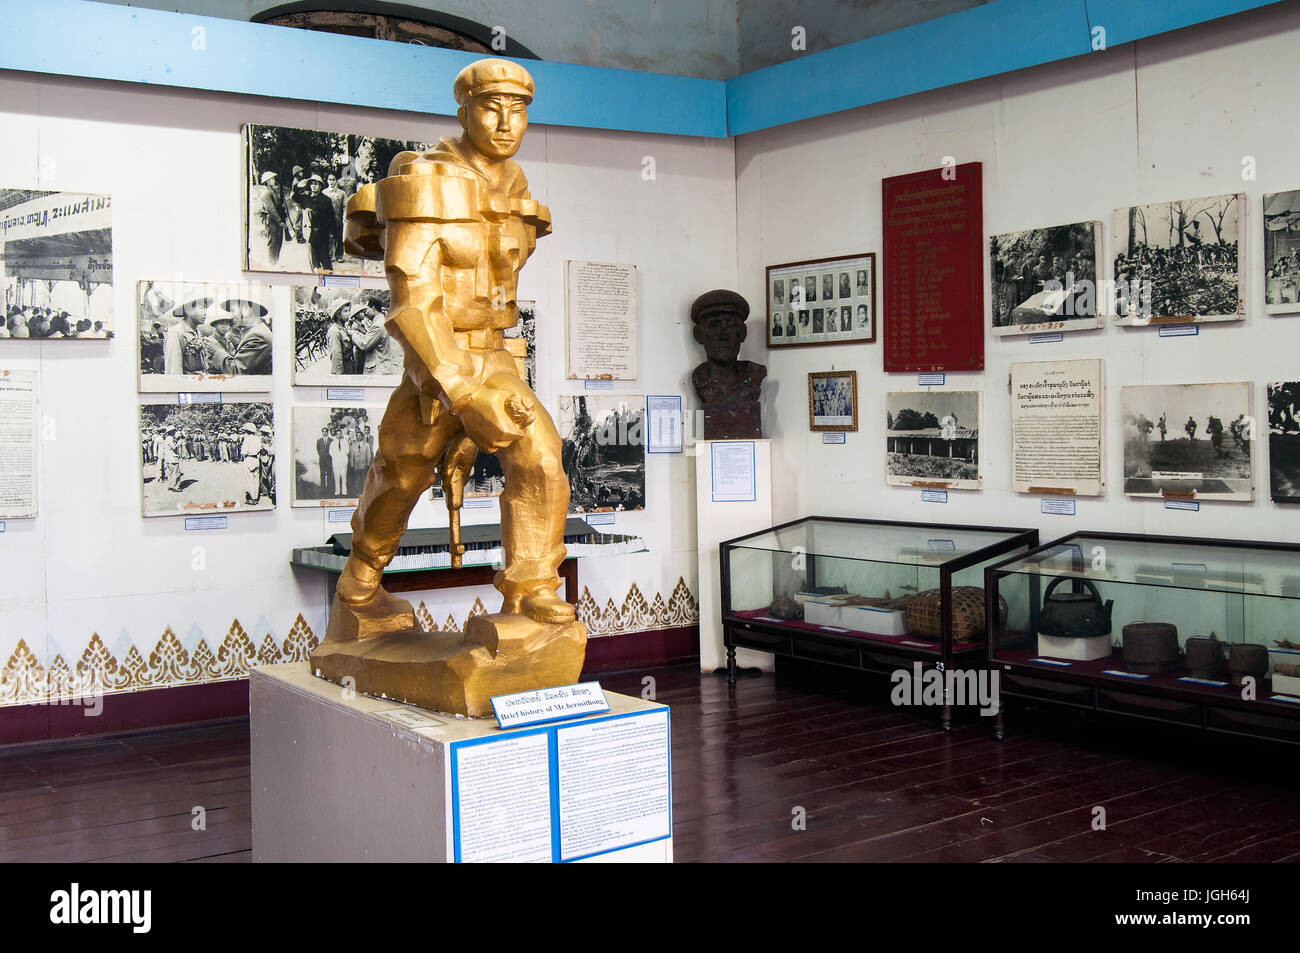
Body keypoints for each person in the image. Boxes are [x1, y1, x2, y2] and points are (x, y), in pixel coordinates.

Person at [333, 58, 572, 631]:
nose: (506, 122)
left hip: (494, 354)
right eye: (491, 107)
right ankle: (361, 581)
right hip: (437, 360)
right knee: (403, 472)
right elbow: (414, 305)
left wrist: (495, 378)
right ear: (463, 110)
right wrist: (463, 397)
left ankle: (532, 586)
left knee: (540, 456)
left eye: (518, 111)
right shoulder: (426, 181)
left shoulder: (516, 190)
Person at [203, 299, 272, 375]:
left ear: (246, 309)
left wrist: (216, 351)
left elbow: (236, 370)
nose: (232, 316)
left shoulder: (257, 336)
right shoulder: (257, 330)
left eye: (233, 310)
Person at [346, 298, 402, 376]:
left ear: (373, 308)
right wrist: (357, 334)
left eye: (367, 310)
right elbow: (369, 337)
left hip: (379, 370)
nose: (365, 313)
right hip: (383, 366)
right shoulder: (381, 321)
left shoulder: (378, 325)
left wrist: (353, 334)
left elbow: (365, 344)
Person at [163, 296, 211, 375]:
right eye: (202, 308)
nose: (205, 313)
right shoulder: (176, 333)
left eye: (206, 309)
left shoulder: (197, 332)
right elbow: (174, 371)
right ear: (189, 310)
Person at [300, 174, 338, 271]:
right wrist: (301, 185)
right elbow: (294, 196)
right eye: (312, 184)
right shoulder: (307, 198)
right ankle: (317, 281)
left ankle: (328, 281)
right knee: (313, 261)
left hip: (323, 235)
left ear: (320, 186)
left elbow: (331, 218)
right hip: (310, 234)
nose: (313, 186)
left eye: (316, 184)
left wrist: (333, 233)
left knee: (325, 259)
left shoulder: (326, 200)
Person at [251, 170, 285, 265]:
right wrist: (279, 221)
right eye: (272, 179)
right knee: (273, 243)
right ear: (268, 181)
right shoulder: (266, 193)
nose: (274, 180)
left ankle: (275, 262)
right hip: (272, 221)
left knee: (278, 242)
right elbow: (271, 209)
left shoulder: (273, 191)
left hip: (276, 220)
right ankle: (272, 264)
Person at [323, 171, 348, 260]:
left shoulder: (342, 193)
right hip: (327, 219)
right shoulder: (324, 192)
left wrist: (344, 215)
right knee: (328, 237)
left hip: (338, 218)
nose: (332, 182)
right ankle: (329, 256)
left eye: (333, 180)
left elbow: (345, 206)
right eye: (330, 180)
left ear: (336, 181)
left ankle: (339, 255)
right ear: (327, 181)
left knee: (338, 237)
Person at [326, 299, 351, 375]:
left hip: (349, 368)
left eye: (348, 310)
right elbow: (336, 358)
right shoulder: (334, 331)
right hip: (343, 371)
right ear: (337, 314)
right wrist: (339, 378)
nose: (348, 313)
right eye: (345, 311)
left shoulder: (343, 328)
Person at [239, 422, 261, 504]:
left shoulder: (247, 439)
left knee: (249, 480)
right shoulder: (258, 439)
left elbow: (243, 452)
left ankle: (252, 498)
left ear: (247, 431)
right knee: (256, 479)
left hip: (249, 459)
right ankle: (255, 497)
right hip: (256, 459)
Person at [328, 428, 349, 496]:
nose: (339, 435)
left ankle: (344, 492)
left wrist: (342, 456)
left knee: (344, 477)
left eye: (340, 434)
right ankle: (337, 491)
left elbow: (347, 451)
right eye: (337, 434)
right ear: (335, 435)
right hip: (336, 462)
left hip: (343, 461)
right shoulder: (332, 443)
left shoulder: (345, 442)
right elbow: (331, 452)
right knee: (336, 477)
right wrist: (337, 456)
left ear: (341, 434)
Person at [258, 424, 276, 503]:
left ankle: (270, 491)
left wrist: (265, 447)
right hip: (266, 457)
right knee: (266, 475)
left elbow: (271, 451)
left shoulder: (273, 440)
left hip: (270, 458)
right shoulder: (264, 439)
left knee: (270, 476)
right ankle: (267, 491)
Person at [317, 425, 334, 493]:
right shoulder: (319, 441)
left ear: (328, 432)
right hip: (322, 459)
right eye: (323, 432)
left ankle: (329, 488)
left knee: (329, 473)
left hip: (329, 460)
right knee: (322, 474)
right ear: (322, 433)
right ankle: (323, 488)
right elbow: (318, 449)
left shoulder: (331, 440)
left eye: (326, 432)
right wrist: (322, 455)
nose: (324, 433)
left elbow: (333, 449)